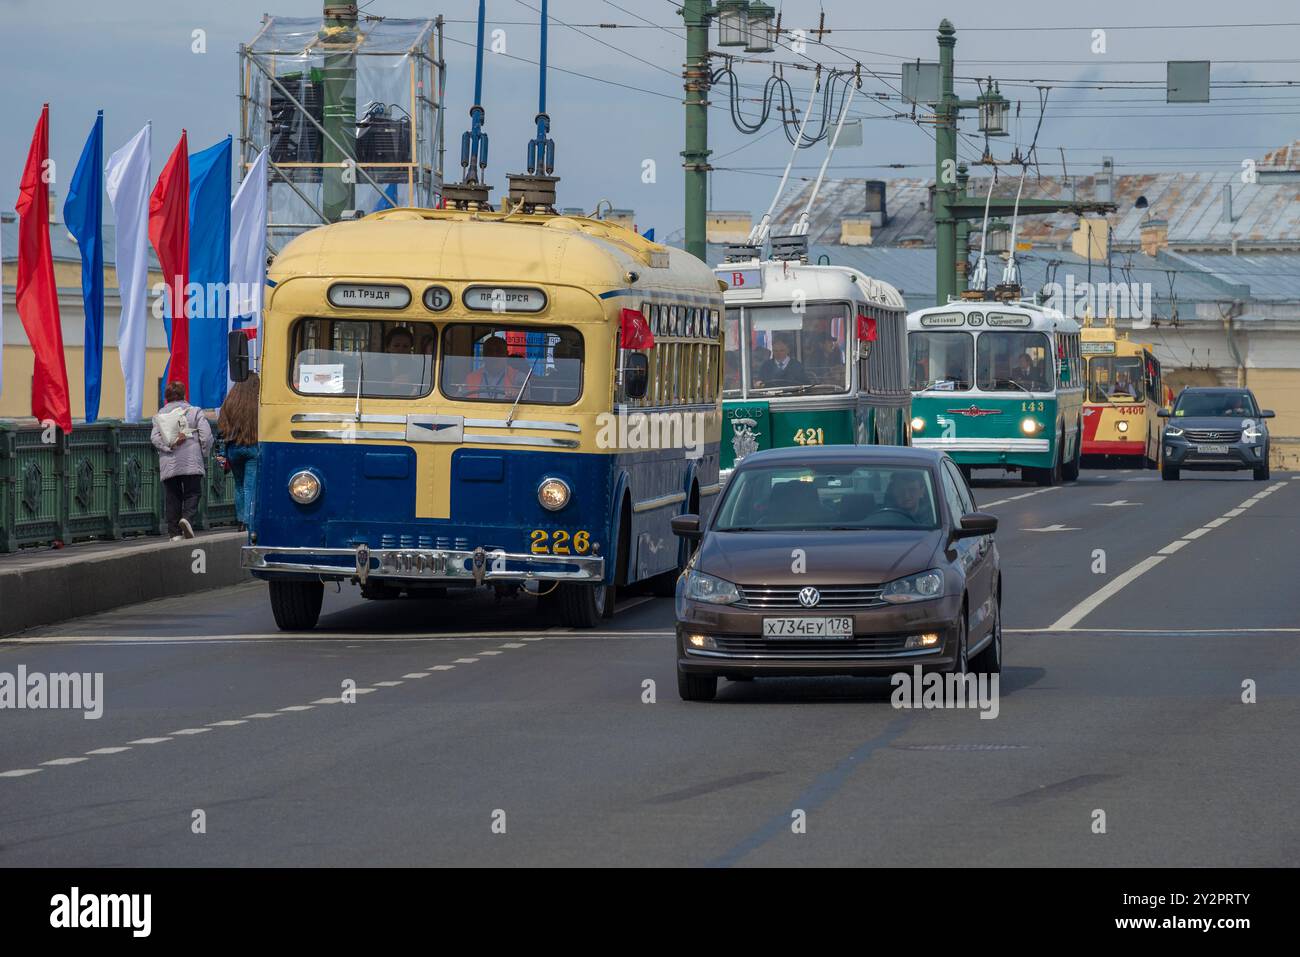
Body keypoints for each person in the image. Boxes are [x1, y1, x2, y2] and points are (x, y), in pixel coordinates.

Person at [151, 381, 213, 541]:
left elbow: (155, 438)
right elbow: (206, 435)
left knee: (172, 497)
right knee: (193, 492)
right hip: (191, 460)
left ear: (166, 397)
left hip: (169, 463)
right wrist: (203, 453)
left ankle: (175, 534)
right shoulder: (194, 411)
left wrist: (169, 447)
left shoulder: (159, 415)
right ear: (183, 394)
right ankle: (186, 518)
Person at [217, 373, 260, 530]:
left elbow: (221, 427)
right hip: (252, 447)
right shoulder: (257, 404)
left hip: (233, 449)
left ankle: (240, 520)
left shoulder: (230, 402)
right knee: (250, 486)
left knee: (239, 485)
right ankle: (248, 522)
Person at [803, 318, 845, 383]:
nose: (832, 344)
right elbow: (813, 377)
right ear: (821, 344)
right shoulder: (812, 359)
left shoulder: (835, 355)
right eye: (829, 342)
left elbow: (839, 369)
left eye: (832, 342)